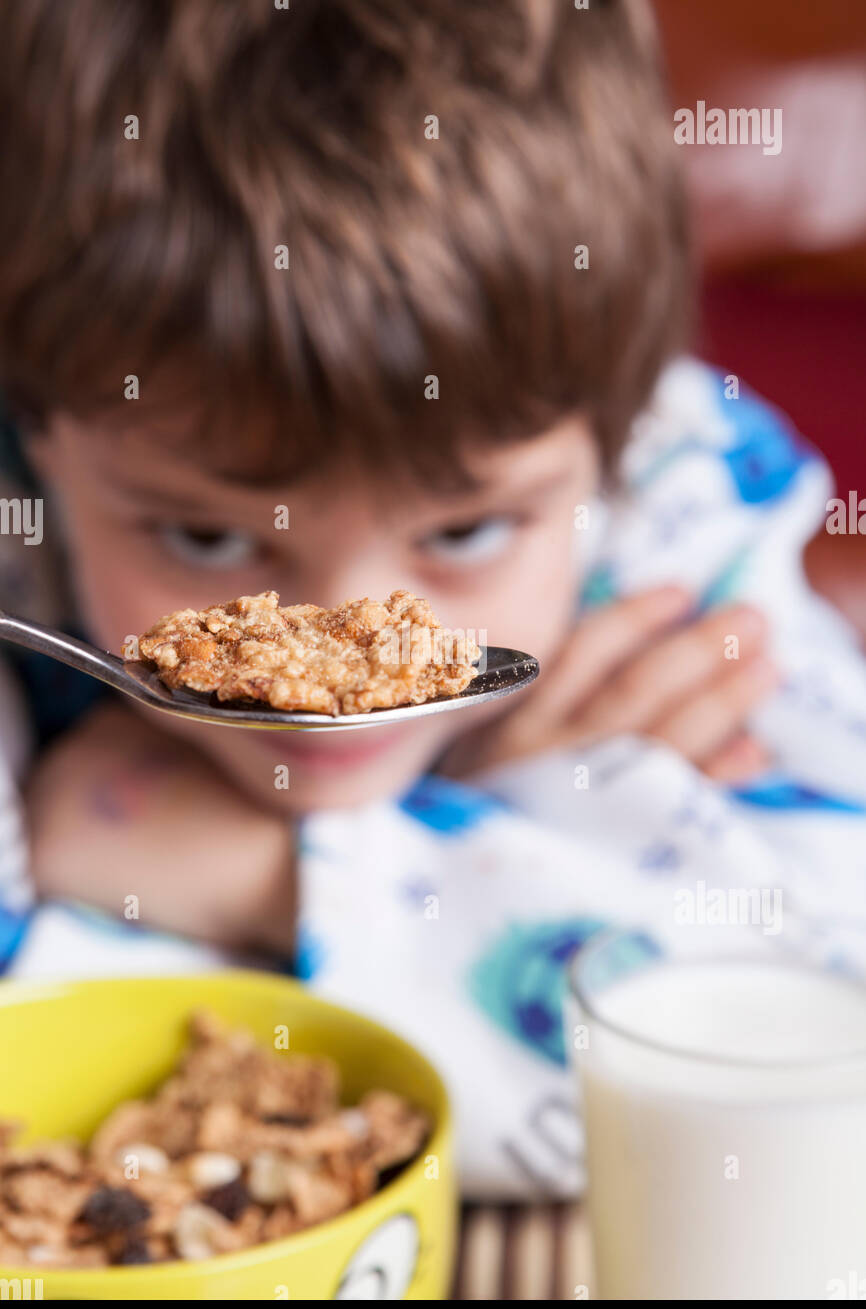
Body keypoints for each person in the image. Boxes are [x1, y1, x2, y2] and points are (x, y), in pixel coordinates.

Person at [1, 0, 864, 1196]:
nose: (346, 654)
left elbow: (814, 1018)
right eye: (204, 536)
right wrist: (530, 843)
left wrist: (268, 874)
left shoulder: (679, 514)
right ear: (34, 437)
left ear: (613, 446)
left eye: (463, 531)